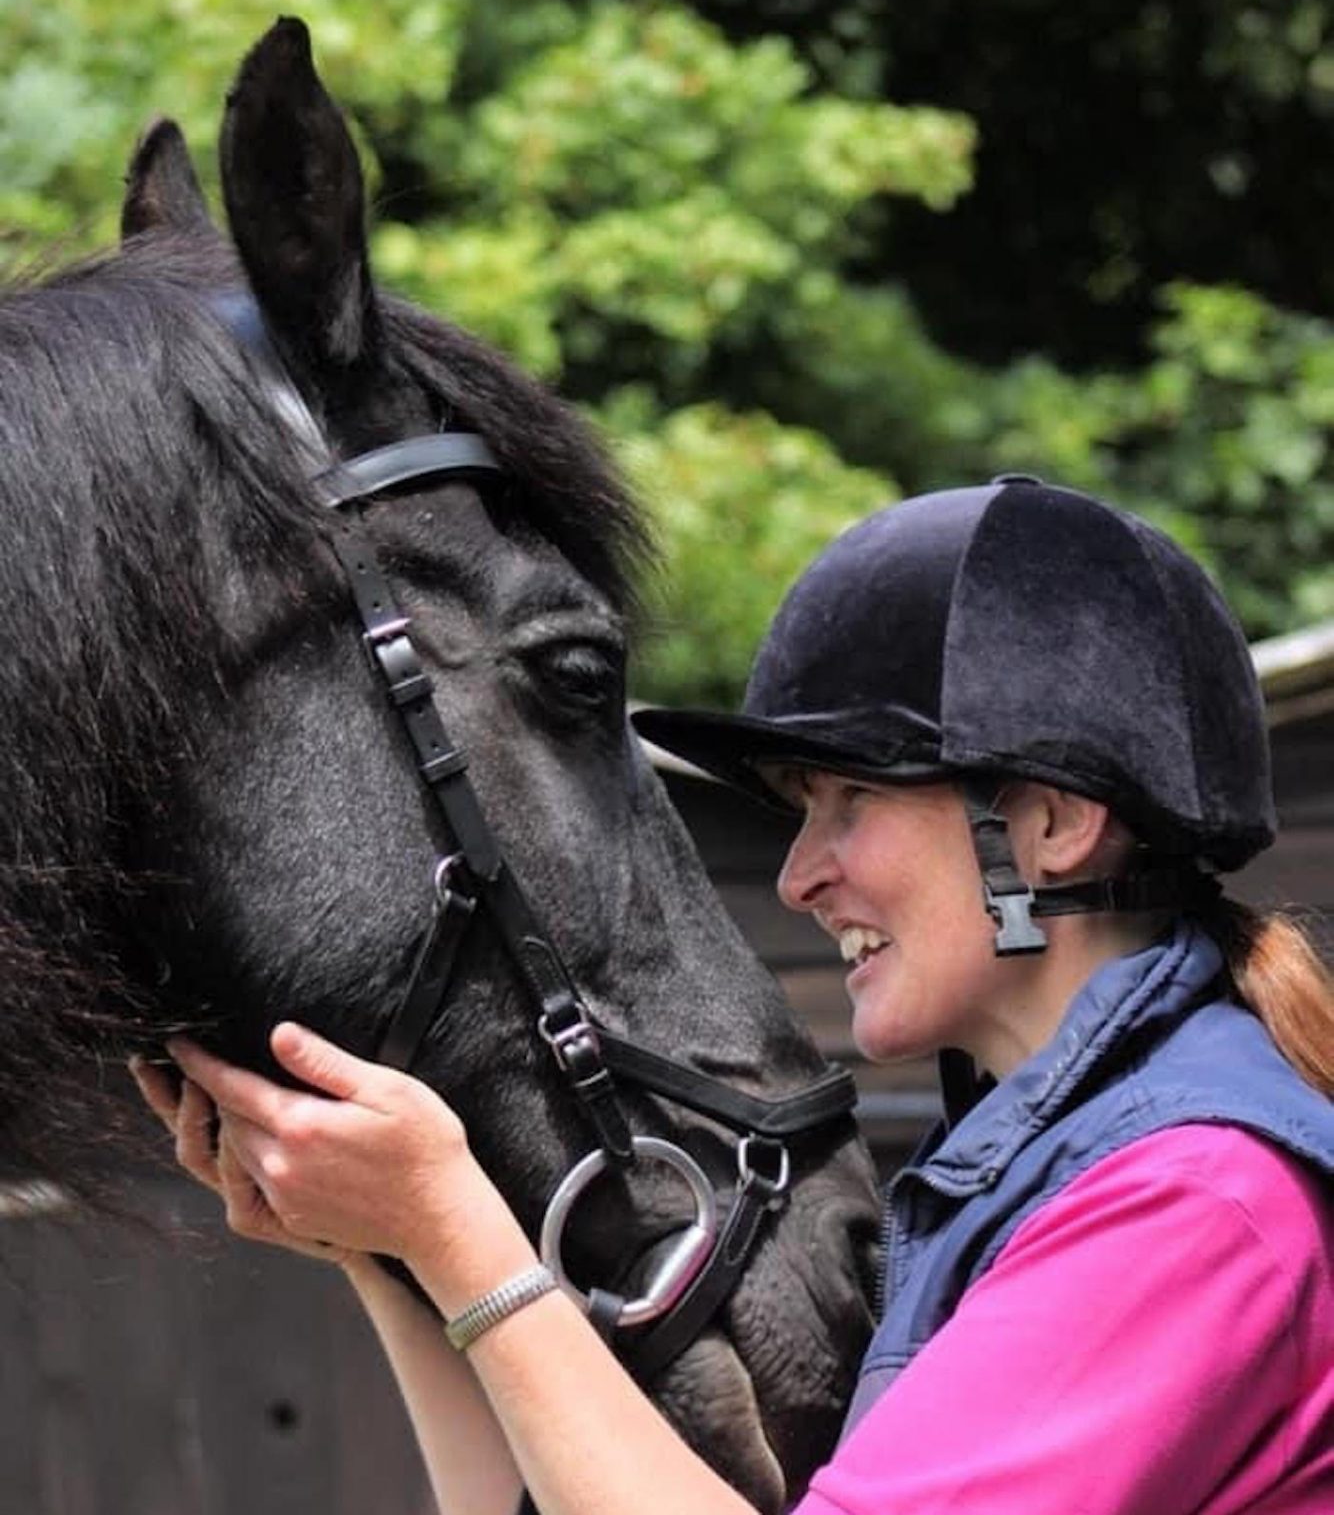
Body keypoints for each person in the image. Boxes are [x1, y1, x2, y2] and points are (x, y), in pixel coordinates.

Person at [133, 474, 1334, 1514]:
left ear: (1053, 825)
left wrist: (457, 1233)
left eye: (849, 801)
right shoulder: (1047, 1175)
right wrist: (384, 1251)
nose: (801, 876)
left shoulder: (1187, 1200)